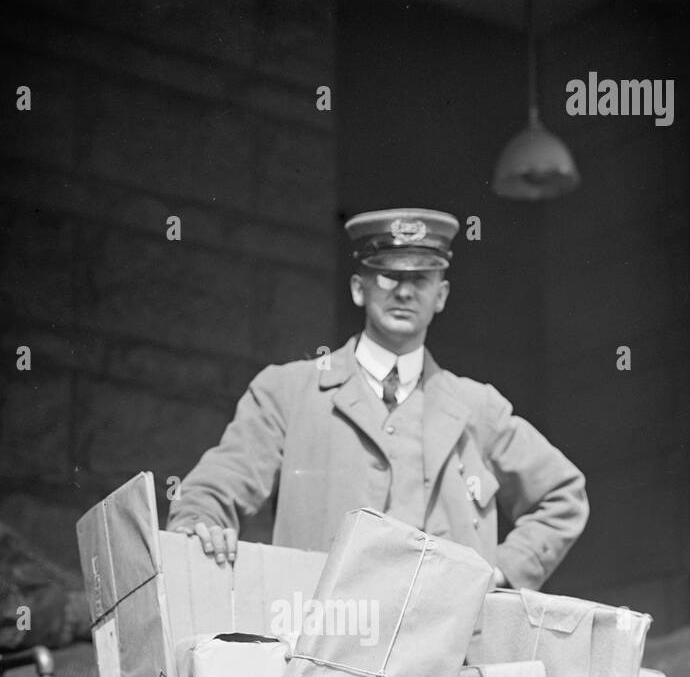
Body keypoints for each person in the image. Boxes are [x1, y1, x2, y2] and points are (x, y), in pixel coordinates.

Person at [167, 208, 588, 588]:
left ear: (440, 296)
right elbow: (217, 484)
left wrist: (502, 572)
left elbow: (562, 494)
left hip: (447, 654)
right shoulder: (288, 392)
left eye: (420, 278)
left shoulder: (478, 408)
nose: (403, 292)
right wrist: (199, 523)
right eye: (388, 276)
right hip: (324, 643)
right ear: (358, 288)